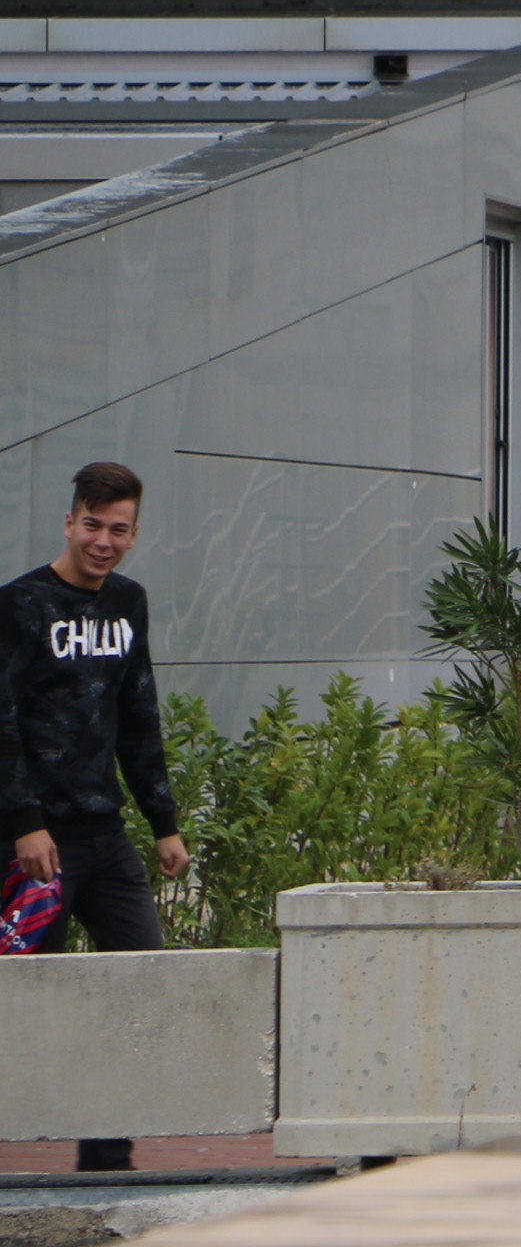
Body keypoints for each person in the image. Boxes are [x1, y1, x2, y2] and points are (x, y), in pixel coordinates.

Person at [3, 462, 192, 1173]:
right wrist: (24, 822)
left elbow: (139, 714)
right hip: (31, 849)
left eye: (118, 530)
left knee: (140, 983)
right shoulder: (18, 605)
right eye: (92, 525)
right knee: (25, 1006)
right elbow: (3, 724)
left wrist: (164, 822)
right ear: (69, 521)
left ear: (134, 533)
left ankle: (106, 1161)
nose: (103, 542)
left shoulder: (129, 604)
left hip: (107, 839)